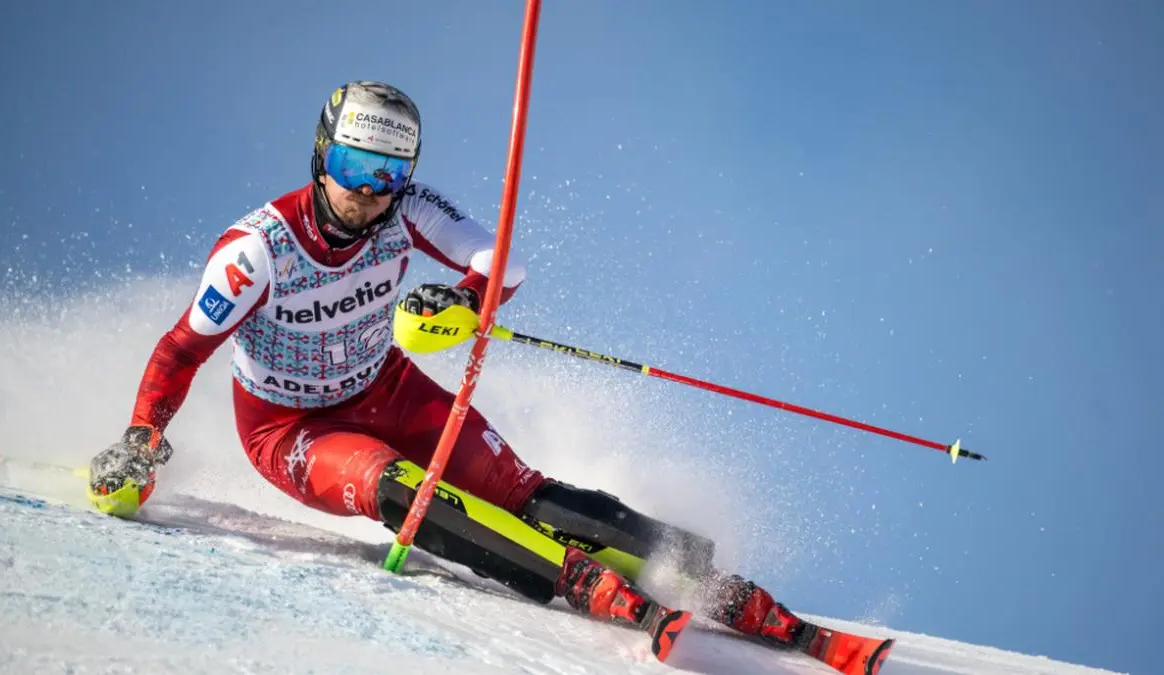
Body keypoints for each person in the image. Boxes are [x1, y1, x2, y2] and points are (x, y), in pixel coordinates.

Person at [88, 80, 807, 654]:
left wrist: (462, 299)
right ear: (320, 156)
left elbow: (503, 262)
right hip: (291, 428)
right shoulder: (257, 251)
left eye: (389, 173)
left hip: (388, 387)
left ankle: (696, 570)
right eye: (352, 168)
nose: (369, 190)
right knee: (393, 484)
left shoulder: (405, 210)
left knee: (518, 486)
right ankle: (577, 581)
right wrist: (142, 434)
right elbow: (182, 348)